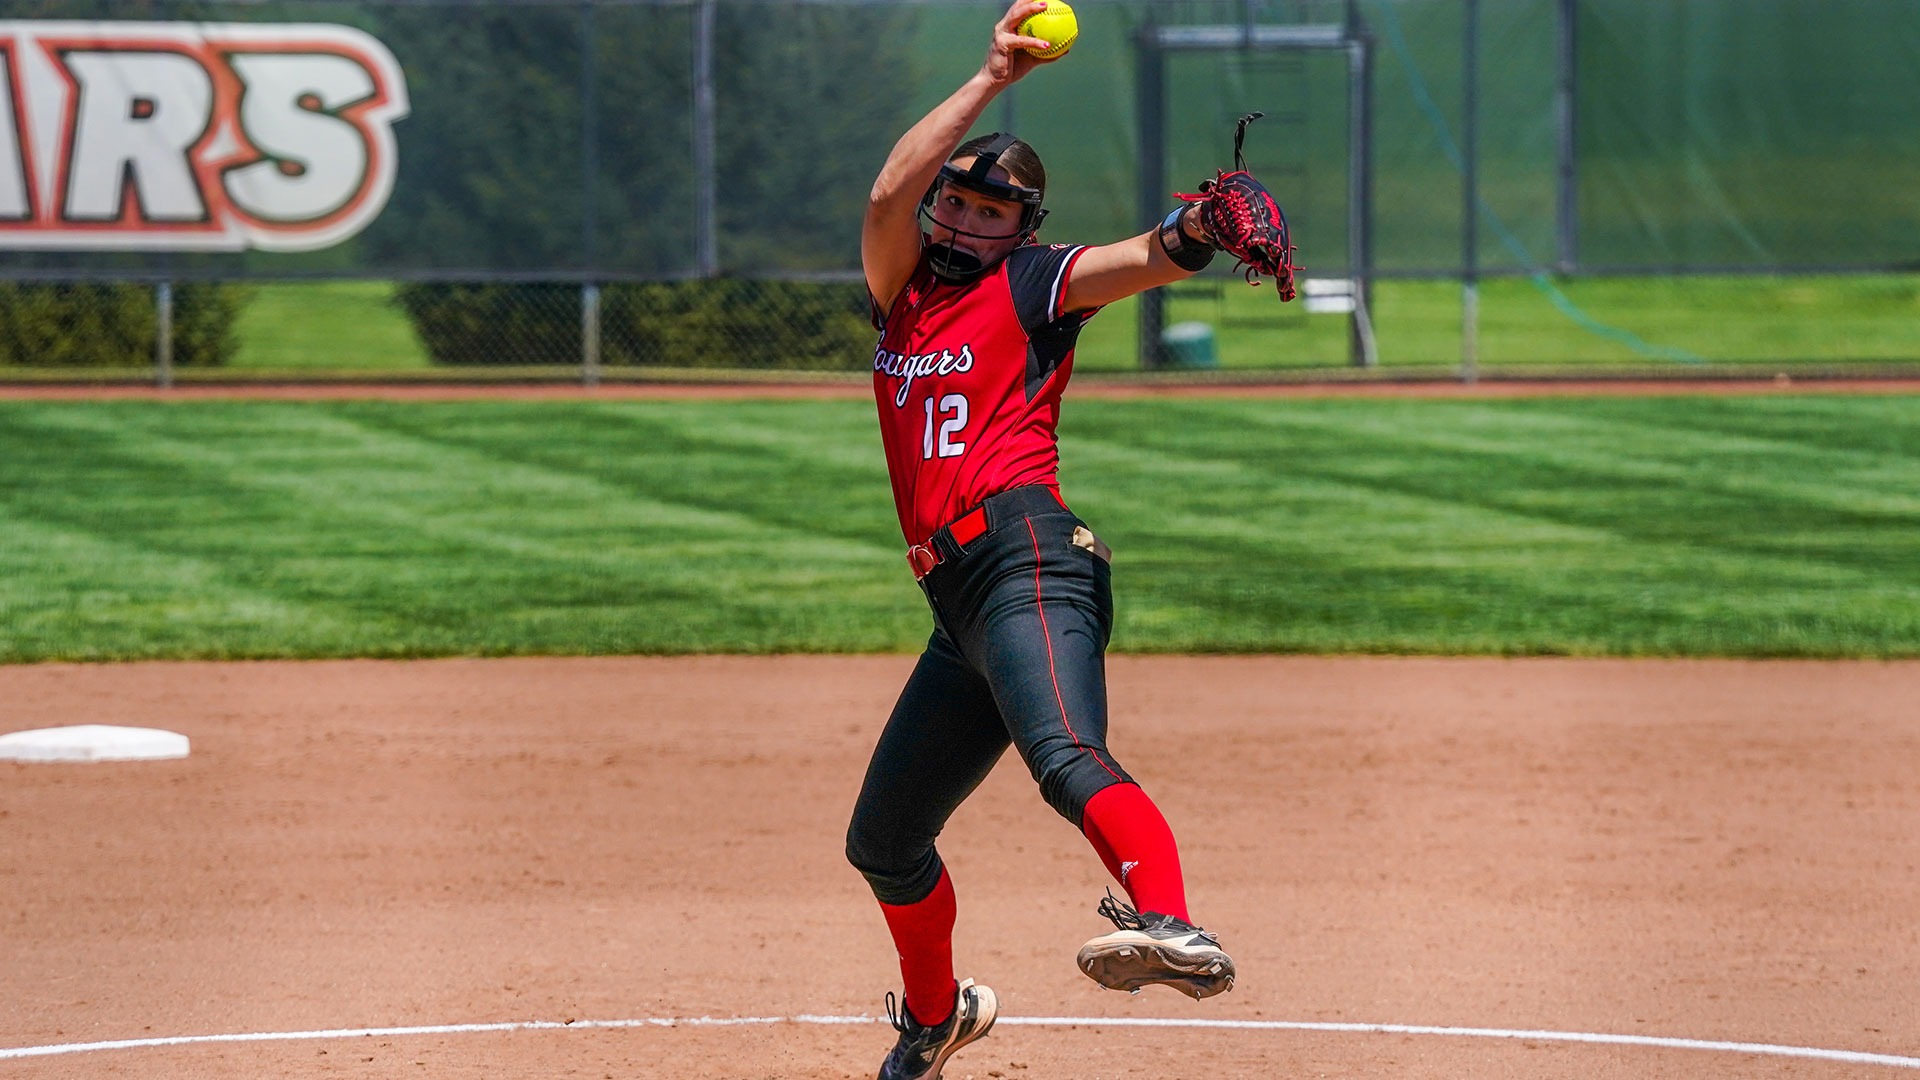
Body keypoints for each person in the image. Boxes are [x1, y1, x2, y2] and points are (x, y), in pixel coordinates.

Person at [844, 3, 1244, 1078]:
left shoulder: (1037, 284)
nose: (972, 223)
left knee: (1062, 755)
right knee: (882, 842)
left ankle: (1172, 923)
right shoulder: (901, 297)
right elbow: (887, 191)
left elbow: (1146, 258)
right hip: (956, 605)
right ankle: (938, 1019)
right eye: (961, 204)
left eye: (996, 213)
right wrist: (987, 78)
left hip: (1027, 559)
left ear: (1026, 228)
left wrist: (1196, 232)